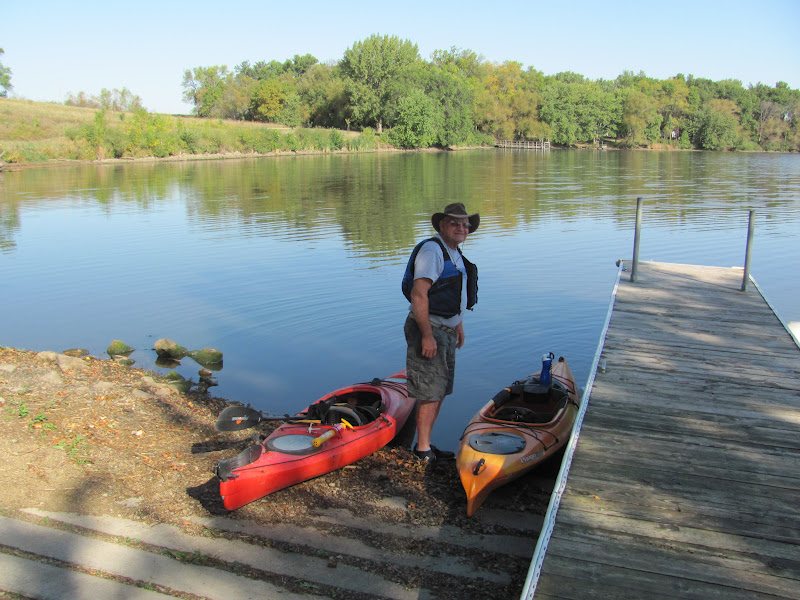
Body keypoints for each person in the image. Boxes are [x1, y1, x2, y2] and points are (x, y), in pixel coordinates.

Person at [402, 203, 479, 463]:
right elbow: (419, 294)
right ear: (442, 226)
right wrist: (427, 336)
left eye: (465, 224)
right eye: (455, 223)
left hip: (445, 329)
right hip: (429, 329)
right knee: (429, 391)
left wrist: (458, 325)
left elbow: (450, 294)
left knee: (440, 389)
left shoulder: (454, 253)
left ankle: (426, 445)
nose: (462, 228)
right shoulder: (433, 251)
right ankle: (422, 451)